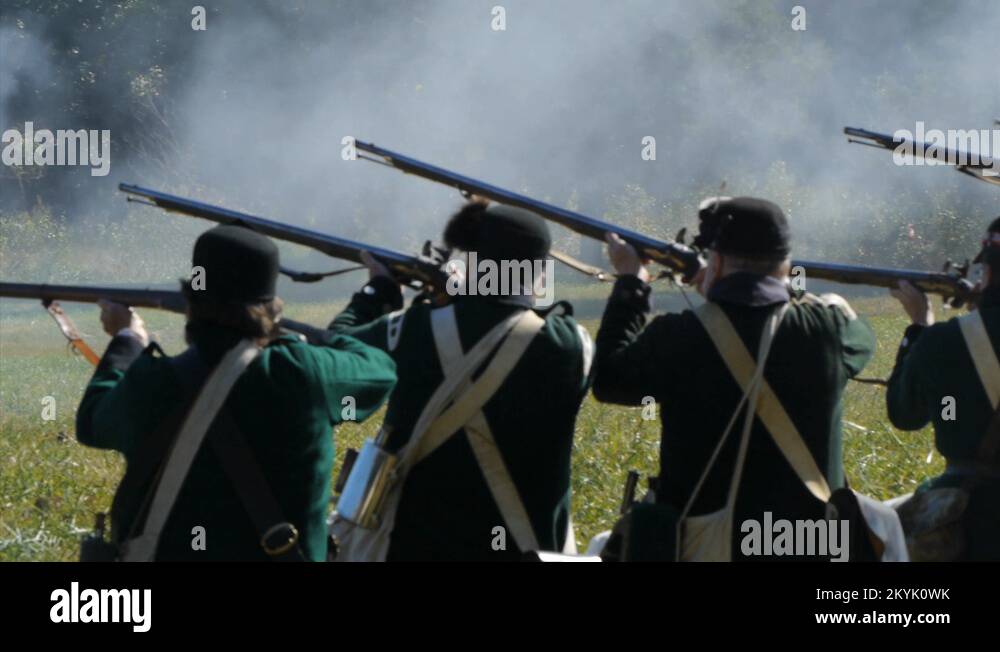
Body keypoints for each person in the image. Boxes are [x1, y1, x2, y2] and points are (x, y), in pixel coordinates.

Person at [76, 225, 396, 561]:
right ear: (272, 306)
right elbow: (380, 370)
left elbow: (92, 421)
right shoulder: (303, 371)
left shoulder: (152, 381)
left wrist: (127, 339)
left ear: (191, 302)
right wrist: (299, 333)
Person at [593, 197, 876, 560]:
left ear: (719, 261)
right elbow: (847, 319)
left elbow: (609, 379)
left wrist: (631, 283)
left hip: (709, 548)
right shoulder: (828, 332)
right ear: (786, 266)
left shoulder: (678, 336)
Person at [328, 202, 593, 560]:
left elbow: (336, 349)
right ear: (539, 272)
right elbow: (516, 317)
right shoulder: (572, 346)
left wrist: (377, 290)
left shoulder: (408, 329)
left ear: (471, 261)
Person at [887, 217, 1000, 561]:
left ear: (989, 273)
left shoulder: (945, 342)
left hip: (977, 525)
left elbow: (906, 415)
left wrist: (920, 326)